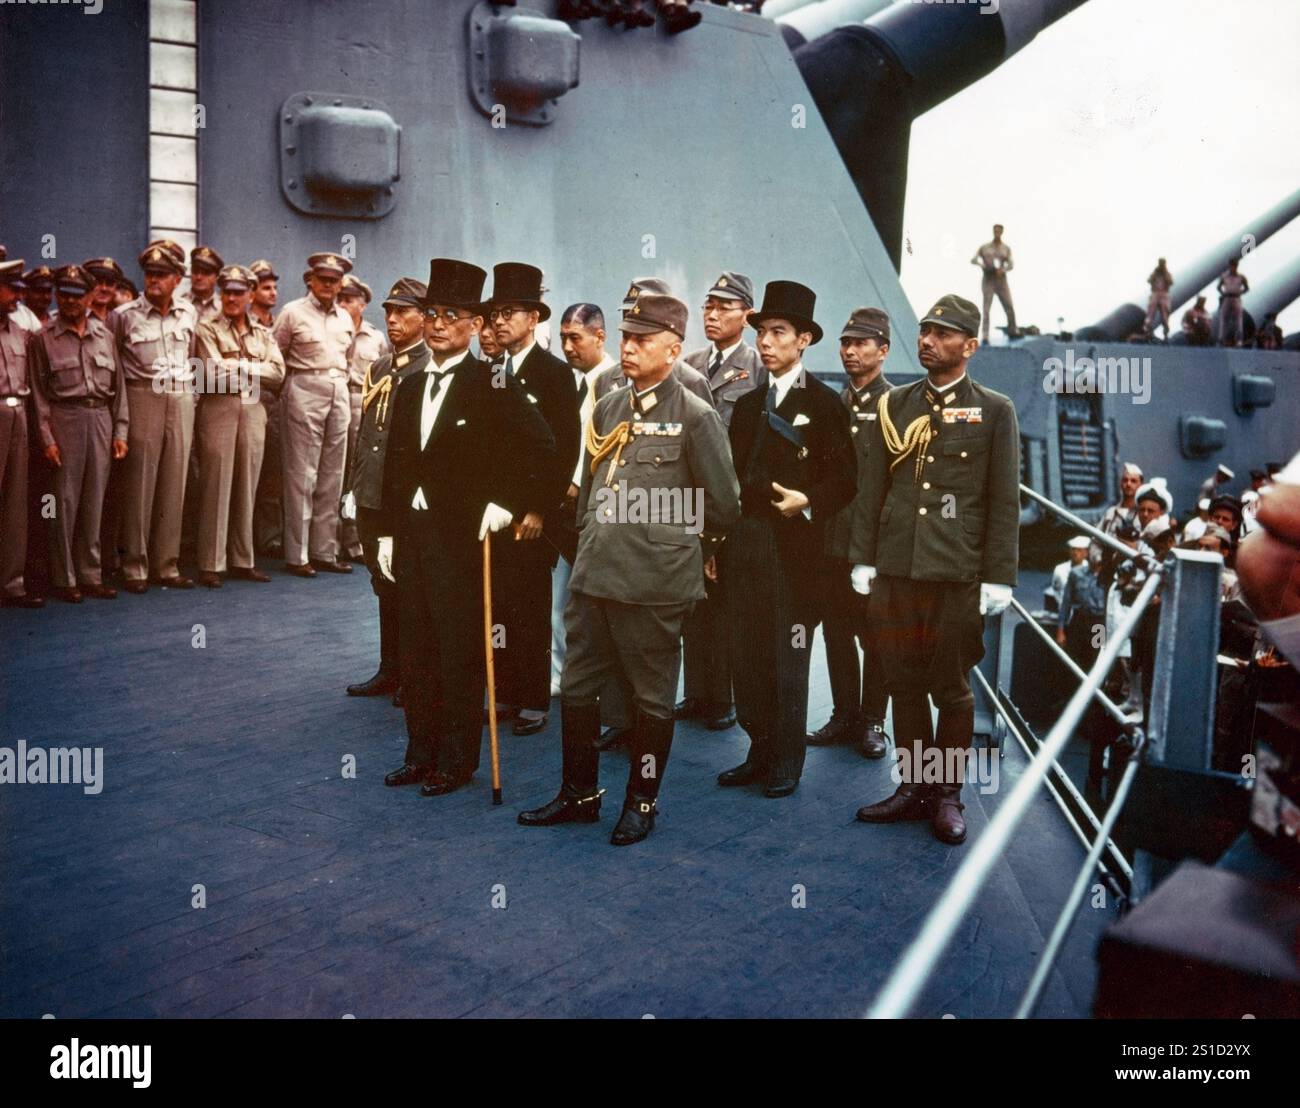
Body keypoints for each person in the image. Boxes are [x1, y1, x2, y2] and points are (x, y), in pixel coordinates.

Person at [517, 291, 740, 844]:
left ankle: (641, 800)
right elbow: (594, 487)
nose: (630, 348)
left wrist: (674, 545)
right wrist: (596, 534)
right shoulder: (609, 405)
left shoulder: (694, 414)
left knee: (649, 698)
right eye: (626, 338)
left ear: (673, 349)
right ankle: (580, 794)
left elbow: (724, 504)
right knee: (578, 686)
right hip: (595, 575)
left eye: (643, 340)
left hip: (654, 583)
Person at [376, 258, 557, 797]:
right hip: (413, 537)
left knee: (458, 652)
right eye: (430, 313)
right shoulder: (409, 387)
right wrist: (387, 531)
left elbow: (542, 447)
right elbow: (397, 462)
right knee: (416, 650)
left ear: (475, 326)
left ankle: (455, 762)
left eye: (450, 315)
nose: (435, 324)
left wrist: (507, 500)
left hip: (463, 542)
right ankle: (420, 752)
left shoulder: (491, 383)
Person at [852, 294, 1020, 845]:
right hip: (898, 569)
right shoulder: (895, 404)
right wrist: (864, 558)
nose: (927, 340)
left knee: (950, 686)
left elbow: (1001, 501)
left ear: (969, 346)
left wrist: (999, 575)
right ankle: (914, 787)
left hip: (955, 573)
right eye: (924, 331)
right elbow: (872, 488)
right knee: (901, 679)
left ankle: (947, 794)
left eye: (942, 334)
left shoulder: (995, 411)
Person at [719, 280, 857, 798]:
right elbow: (731, 475)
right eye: (763, 332)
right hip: (747, 543)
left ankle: (786, 762)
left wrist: (808, 501)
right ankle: (758, 748)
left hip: (795, 551)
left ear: (804, 341)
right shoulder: (751, 404)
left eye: (779, 332)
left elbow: (846, 480)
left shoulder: (823, 404)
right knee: (746, 654)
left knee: (786, 656)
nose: (766, 342)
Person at [483, 262, 582, 736]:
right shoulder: (490, 372)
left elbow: (563, 449)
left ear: (534, 318)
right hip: (493, 513)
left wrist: (540, 509)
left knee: (531, 607)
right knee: (498, 605)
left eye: (512, 312)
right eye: (495, 313)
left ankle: (534, 700)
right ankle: (504, 693)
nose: (500, 321)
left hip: (530, 515)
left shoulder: (554, 375)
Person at [341, 277, 429, 700]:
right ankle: (390, 668)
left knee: (410, 586)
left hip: (403, 497)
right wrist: (353, 488)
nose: (392, 320)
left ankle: (414, 674)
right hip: (372, 491)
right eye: (389, 312)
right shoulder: (379, 367)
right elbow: (366, 434)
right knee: (382, 581)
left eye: (402, 313)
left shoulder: (427, 368)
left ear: (424, 317)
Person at [813, 307, 893, 758]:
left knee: (875, 637)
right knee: (836, 632)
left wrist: (878, 552)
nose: (850, 351)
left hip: (871, 548)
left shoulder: (895, 406)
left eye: (862, 343)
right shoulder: (834, 405)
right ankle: (844, 715)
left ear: (882, 351)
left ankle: (872, 721)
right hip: (832, 543)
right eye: (846, 343)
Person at [554, 302, 634, 748]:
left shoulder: (616, 383)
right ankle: (608, 710)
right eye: (563, 338)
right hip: (581, 515)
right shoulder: (589, 383)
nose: (568, 347)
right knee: (581, 614)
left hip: (616, 518)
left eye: (576, 338)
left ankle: (628, 719)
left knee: (620, 623)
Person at [29, 264, 129, 603]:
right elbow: (39, 394)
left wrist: (121, 431)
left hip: (100, 417)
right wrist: (47, 438)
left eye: (76, 296)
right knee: (64, 502)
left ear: (88, 298)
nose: (70, 302)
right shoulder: (43, 338)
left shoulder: (105, 335)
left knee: (94, 501)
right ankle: (64, 577)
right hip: (64, 418)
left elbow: (119, 390)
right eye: (64, 295)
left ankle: (90, 573)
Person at [191, 265, 285, 588]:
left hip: (253, 408)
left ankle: (243, 559)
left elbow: (279, 374)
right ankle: (211, 562)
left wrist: (240, 364)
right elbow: (211, 374)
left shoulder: (262, 332)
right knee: (216, 483)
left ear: (249, 294)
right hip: (219, 407)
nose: (231, 298)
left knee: (248, 482)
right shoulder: (206, 327)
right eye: (226, 292)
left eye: (238, 292)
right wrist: (255, 369)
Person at [112, 239, 198, 592]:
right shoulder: (124, 316)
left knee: (173, 484)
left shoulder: (188, 314)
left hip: (179, 398)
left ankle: (167, 563)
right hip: (142, 396)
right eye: (149, 274)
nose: (154, 280)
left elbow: (192, 356)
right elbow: (116, 368)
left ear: (178, 278)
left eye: (162, 274)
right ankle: (134, 565)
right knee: (139, 485)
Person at [272, 251, 356, 576]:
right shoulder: (292, 313)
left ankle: (325, 551)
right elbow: (275, 354)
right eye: (322, 279)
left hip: (338, 390)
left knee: (333, 475)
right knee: (302, 474)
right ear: (311, 279)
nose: (327, 285)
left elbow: (346, 358)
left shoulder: (345, 317)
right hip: (304, 386)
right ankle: (298, 554)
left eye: (333, 280)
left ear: (340, 284)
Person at [592, 278, 713, 404]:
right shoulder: (605, 379)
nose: (631, 316)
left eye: (644, 312)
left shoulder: (691, 382)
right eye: (627, 311)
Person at [0, 260, 42, 607]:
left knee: (16, 502)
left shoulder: (20, 330)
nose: (18, 295)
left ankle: (12, 583)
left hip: (19, 414)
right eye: (11, 288)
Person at [338, 275, 388, 563]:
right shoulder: (334, 330)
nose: (343, 304)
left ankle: (354, 540)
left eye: (349, 299)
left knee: (356, 474)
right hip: (336, 398)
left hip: (363, 401)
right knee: (333, 475)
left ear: (363, 303)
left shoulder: (375, 336)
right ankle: (329, 543)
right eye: (340, 299)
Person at [247, 259, 283, 558]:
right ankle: (244, 540)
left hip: (274, 404)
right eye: (265, 287)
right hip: (249, 400)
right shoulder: (245, 324)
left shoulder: (277, 322)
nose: (272, 293)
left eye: (274, 287)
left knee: (272, 474)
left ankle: (269, 537)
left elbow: (282, 367)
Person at [1091, 461, 1143, 571]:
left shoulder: (1144, 513)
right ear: (1120, 484)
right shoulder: (1111, 513)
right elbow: (1096, 541)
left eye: (1133, 481)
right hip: (1109, 569)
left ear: (1140, 485)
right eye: (1125, 480)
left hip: (1134, 571)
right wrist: (1097, 560)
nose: (1128, 484)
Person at [971, 224, 1017, 342]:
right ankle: (985, 334)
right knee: (986, 308)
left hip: (1001, 280)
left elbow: (1011, 264)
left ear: (1002, 232)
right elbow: (974, 259)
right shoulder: (985, 247)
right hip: (988, 279)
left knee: (1009, 305)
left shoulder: (1005, 248)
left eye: (999, 231)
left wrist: (1004, 269)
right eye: (995, 231)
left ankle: (1013, 330)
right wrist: (981, 265)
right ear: (993, 231)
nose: (997, 233)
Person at [1047, 535, 1091, 614]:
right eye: (1073, 549)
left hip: (1084, 612)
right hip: (1063, 609)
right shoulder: (1060, 569)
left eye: (1079, 550)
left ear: (1086, 553)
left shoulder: (1090, 569)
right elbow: (1056, 589)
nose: (1075, 553)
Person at [1215, 258, 1249, 347]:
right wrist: (1223, 293)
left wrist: (1240, 292)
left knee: (1238, 320)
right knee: (1224, 319)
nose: (1232, 267)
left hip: (1236, 298)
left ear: (1236, 266)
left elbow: (1246, 288)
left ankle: (1238, 340)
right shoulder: (1224, 276)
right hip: (1227, 298)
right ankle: (1221, 339)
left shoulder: (1241, 277)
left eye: (1234, 265)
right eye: (1231, 265)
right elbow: (1218, 287)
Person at [188, 246, 225, 326]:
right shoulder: (179, 305)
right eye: (195, 271)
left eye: (206, 273)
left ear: (217, 277)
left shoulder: (223, 307)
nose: (199, 277)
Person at [83, 257, 125, 325]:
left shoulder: (120, 321)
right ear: (87, 285)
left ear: (116, 288)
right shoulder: (76, 317)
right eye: (98, 282)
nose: (104, 288)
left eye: (109, 283)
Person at [1143, 258, 1173, 341]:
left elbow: (1170, 282)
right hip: (1155, 294)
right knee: (1150, 315)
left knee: (1164, 317)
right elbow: (1149, 280)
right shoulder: (1155, 273)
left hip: (1163, 295)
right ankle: (1147, 333)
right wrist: (1155, 274)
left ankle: (1165, 335)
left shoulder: (1167, 274)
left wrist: (1164, 273)